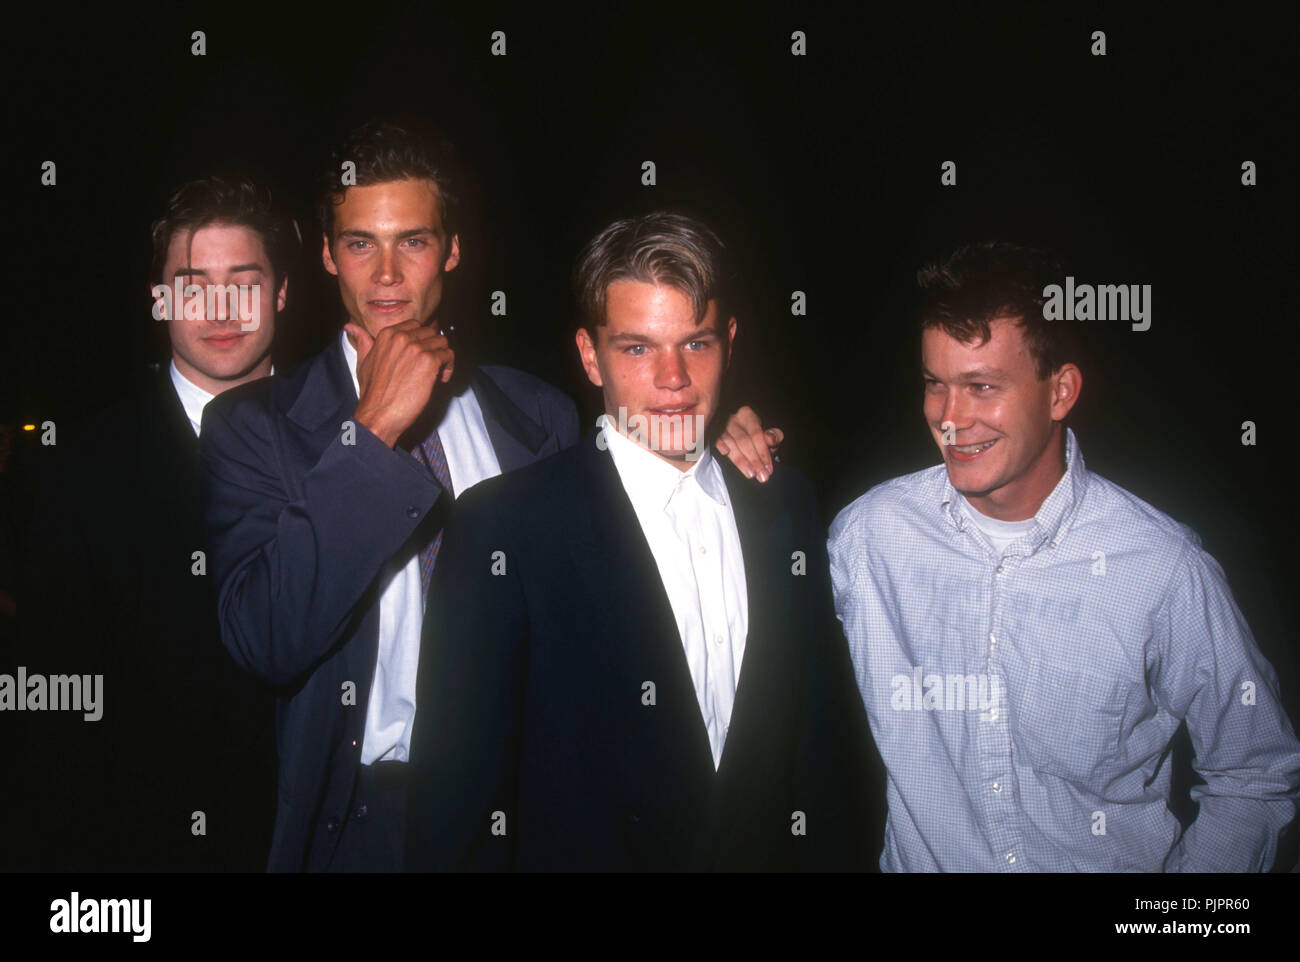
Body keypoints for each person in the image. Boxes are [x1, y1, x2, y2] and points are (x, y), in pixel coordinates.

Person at [405, 211, 873, 871]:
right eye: (637, 347)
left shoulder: (784, 504)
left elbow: (819, 758)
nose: (674, 377)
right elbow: (453, 806)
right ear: (590, 357)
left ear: (730, 344)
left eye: (696, 343)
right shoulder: (504, 527)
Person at [827, 241, 1300, 871]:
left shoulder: (1161, 569)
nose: (950, 418)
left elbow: (1254, 775)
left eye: (983, 387)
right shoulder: (867, 539)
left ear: (1060, 392)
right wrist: (720, 448)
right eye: (935, 385)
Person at [15, 175, 288, 871]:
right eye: (194, 285)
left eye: (246, 281)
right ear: (160, 300)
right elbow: (56, 717)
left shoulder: (356, 441)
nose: (222, 307)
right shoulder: (81, 470)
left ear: (282, 294)